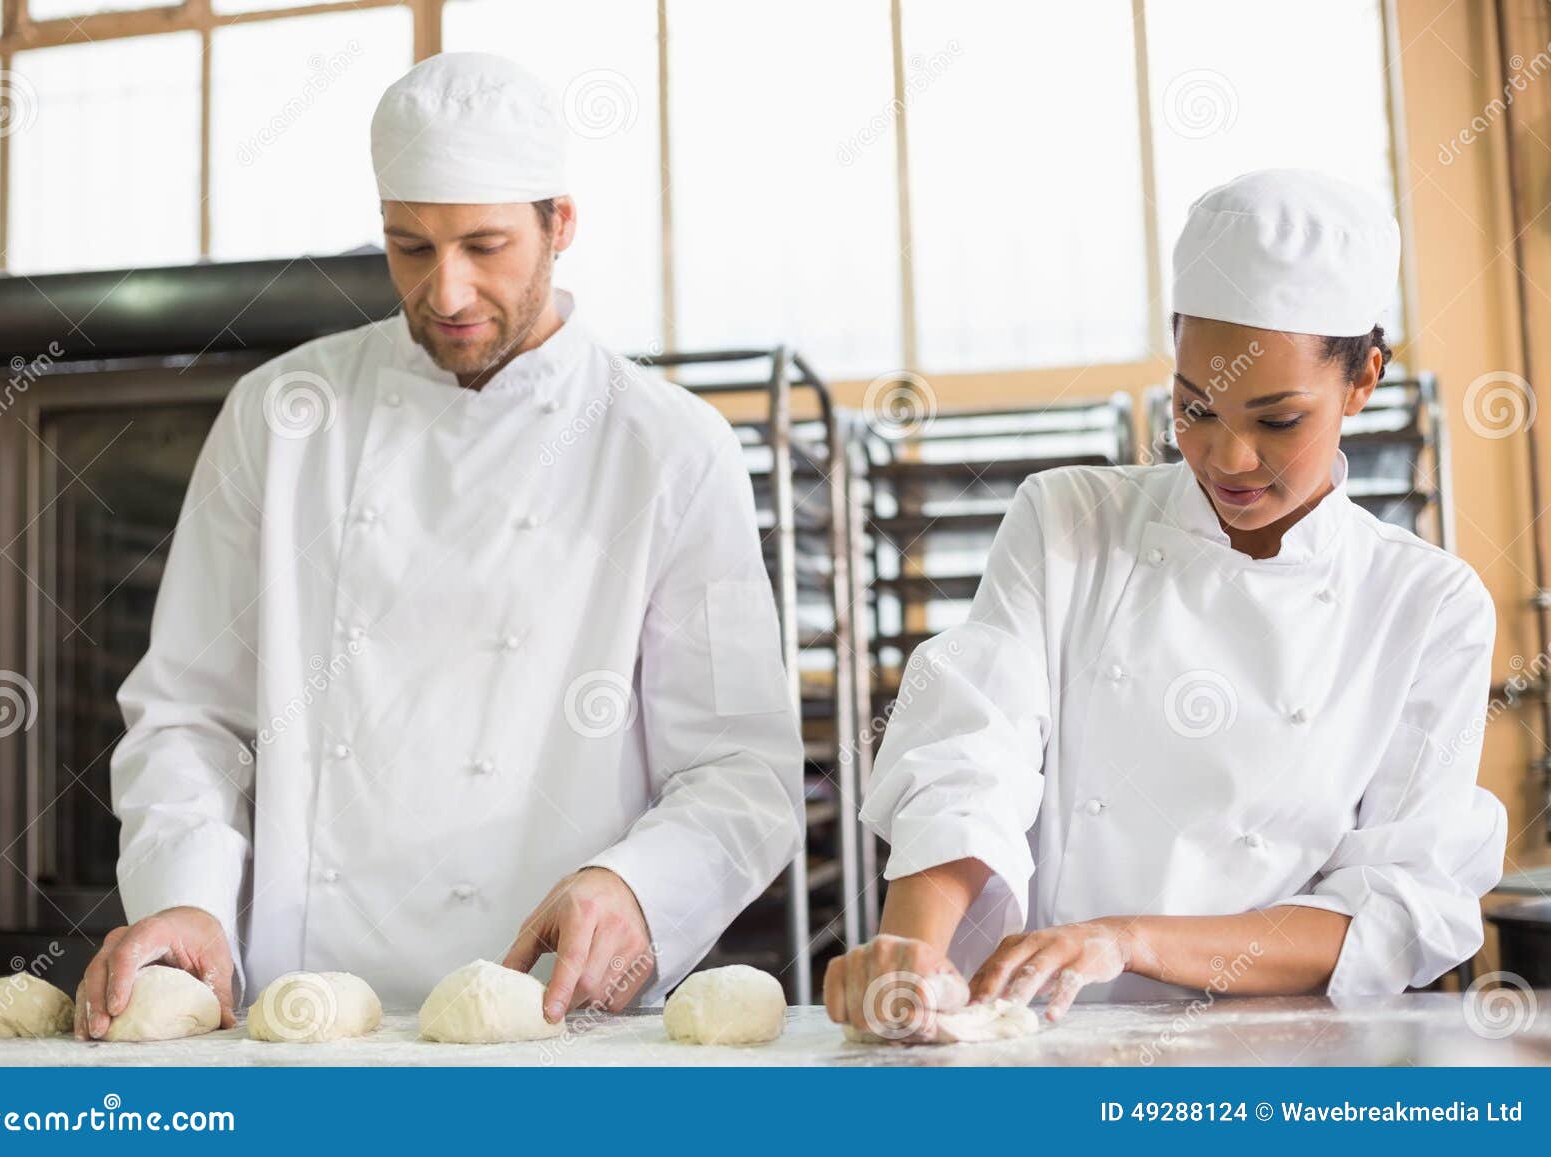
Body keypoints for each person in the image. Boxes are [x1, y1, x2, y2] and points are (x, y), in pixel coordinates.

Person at [76, 53, 802, 1039]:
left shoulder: (669, 445)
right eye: (410, 246)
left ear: (563, 225)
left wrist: (632, 886)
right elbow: (189, 713)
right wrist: (189, 891)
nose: (447, 289)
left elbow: (740, 766)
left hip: (554, 1014)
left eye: (485, 243)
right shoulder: (282, 416)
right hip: (298, 1015)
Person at [825, 168, 1506, 1037]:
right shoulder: (1069, 517)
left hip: (1276, 1057)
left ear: (1364, 377)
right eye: (1196, 408)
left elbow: (1396, 901)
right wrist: (910, 949)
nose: (1228, 456)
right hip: (1048, 1037)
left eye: (1278, 420)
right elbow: (973, 747)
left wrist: (1127, 937)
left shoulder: (1427, 602)